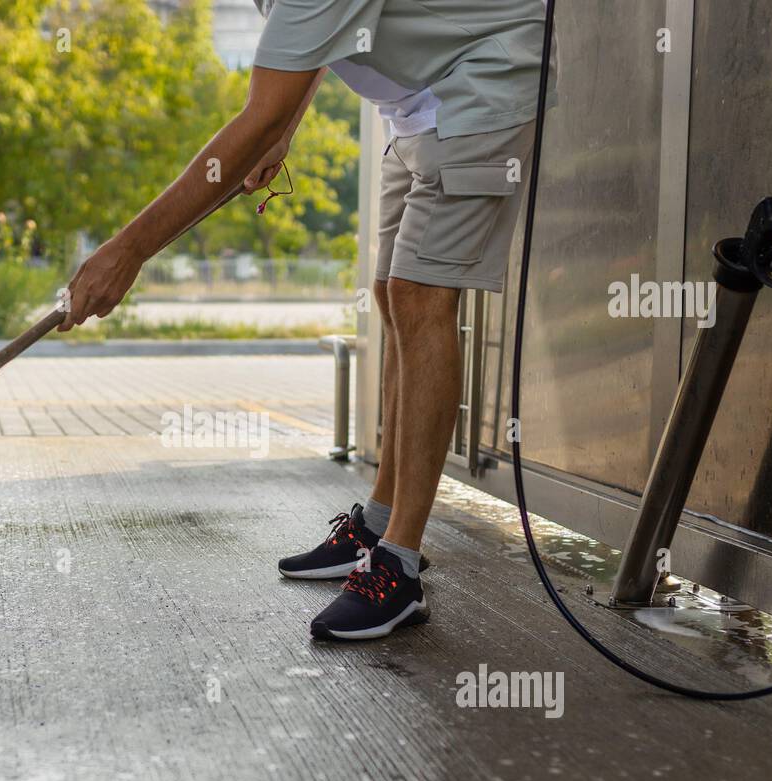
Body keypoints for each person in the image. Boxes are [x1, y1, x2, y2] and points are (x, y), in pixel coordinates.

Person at [60, 0, 557, 640]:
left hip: (487, 77)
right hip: (417, 97)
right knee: (389, 293)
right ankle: (379, 521)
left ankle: (398, 568)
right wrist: (283, 130)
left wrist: (125, 253)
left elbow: (256, 115)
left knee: (420, 297)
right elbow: (315, 45)